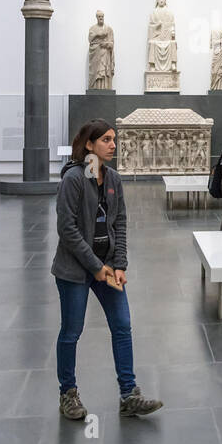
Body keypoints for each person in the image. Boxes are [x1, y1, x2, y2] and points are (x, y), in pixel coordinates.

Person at [52, 119, 162, 421]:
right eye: (106, 140)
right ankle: (68, 393)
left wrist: (119, 264)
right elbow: (67, 229)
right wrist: (96, 267)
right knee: (72, 332)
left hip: (108, 268)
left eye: (114, 140)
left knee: (122, 326)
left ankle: (129, 394)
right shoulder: (73, 179)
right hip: (75, 269)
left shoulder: (113, 178)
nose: (113, 145)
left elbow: (120, 222)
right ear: (89, 145)